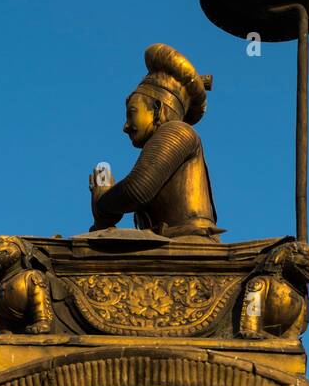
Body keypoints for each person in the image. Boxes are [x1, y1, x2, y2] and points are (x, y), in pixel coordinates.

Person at [89, 44, 220, 240]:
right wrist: (104, 218)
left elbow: (137, 190)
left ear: (157, 109)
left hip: (188, 243)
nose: (125, 126)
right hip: (163, 242)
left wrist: (103, 200)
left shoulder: (178, 131)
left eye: (131, 113)